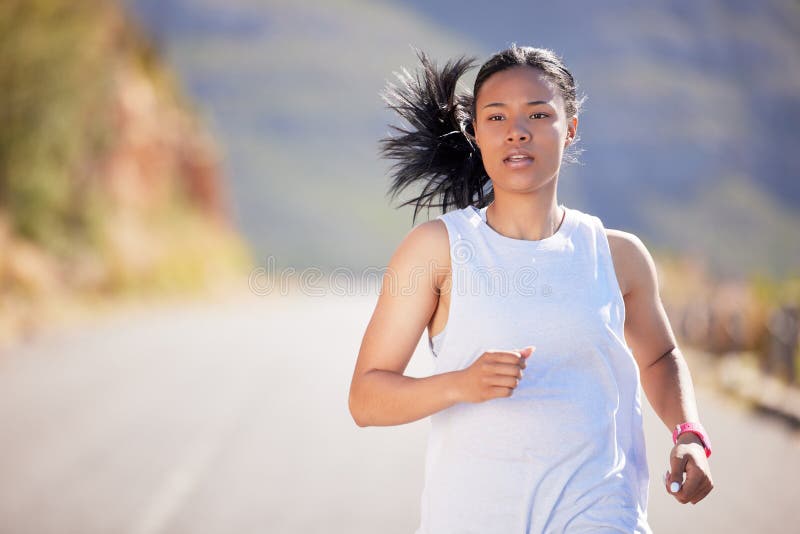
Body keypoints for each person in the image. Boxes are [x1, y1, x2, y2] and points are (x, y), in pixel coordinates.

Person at [348, 43, 714, 533]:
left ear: (571, 128)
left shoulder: (618, 255)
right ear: (475, 133)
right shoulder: (437, 249)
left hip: (601, 512)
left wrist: (688, 432)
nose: (517, 131)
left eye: (538, 114)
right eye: (496, 117)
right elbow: (366, 398)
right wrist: (459, 384)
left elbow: (659, 357)